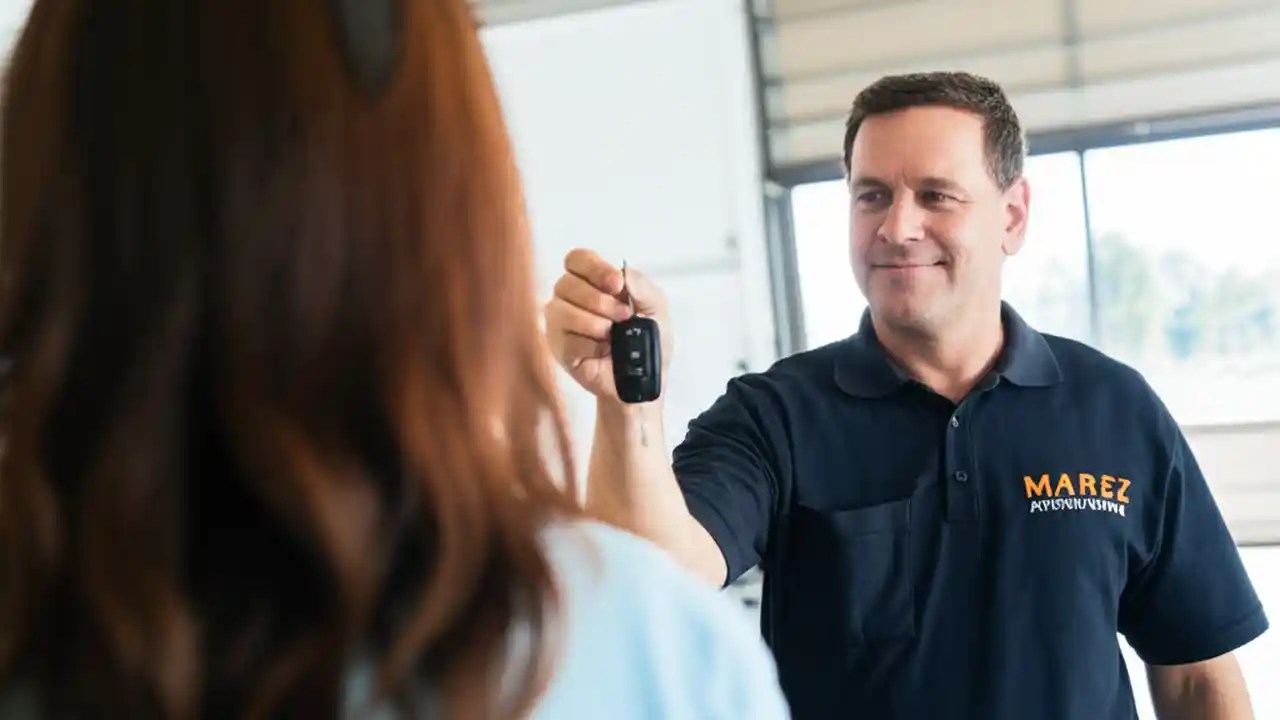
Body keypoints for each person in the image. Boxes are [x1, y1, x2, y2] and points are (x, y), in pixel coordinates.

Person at [0, 1, 791, 718]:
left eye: (926, 194)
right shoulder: (646, 648)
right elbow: (680, 568)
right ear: (459, 210)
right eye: (868, 192)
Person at [545, 71, 1270, 719]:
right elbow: (652, 576)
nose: (897, 226)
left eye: (935, 195)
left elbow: (1197, 676)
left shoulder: (1116, 410)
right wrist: (625, 404)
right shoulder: (776, 416)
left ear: (1012, 216)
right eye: (872, 196)